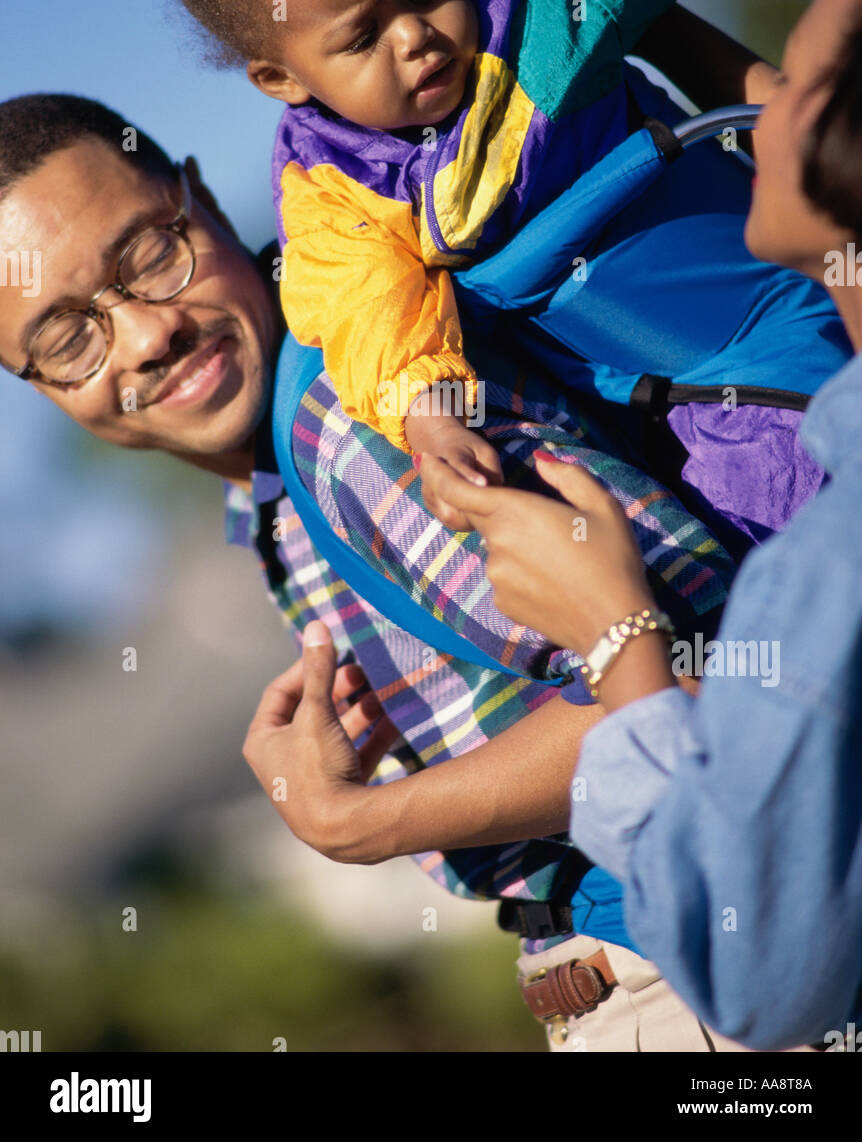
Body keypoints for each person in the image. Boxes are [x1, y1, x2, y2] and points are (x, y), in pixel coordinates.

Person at [0, 90, 758, 1053]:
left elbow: (703, 672)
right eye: (67, 338)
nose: (148, 336)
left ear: (207, 202)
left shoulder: (355, 420)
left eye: (151, 255)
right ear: (33, 386)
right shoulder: (281, 475)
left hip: (704, 968)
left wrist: (361, 822)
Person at [83, 0, 859, 526]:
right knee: (776, 509)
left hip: (774, 270)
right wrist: (427, 410)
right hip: (682, 394)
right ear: (281, 79)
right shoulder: (332, 185)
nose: (416, 34)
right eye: (362, 38)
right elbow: (367, 306)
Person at [424, 0, 862, 1051]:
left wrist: (616, 637)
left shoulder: (826, 558)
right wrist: (637, 9)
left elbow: (760, 978)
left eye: (787, 82)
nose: (739, 102)